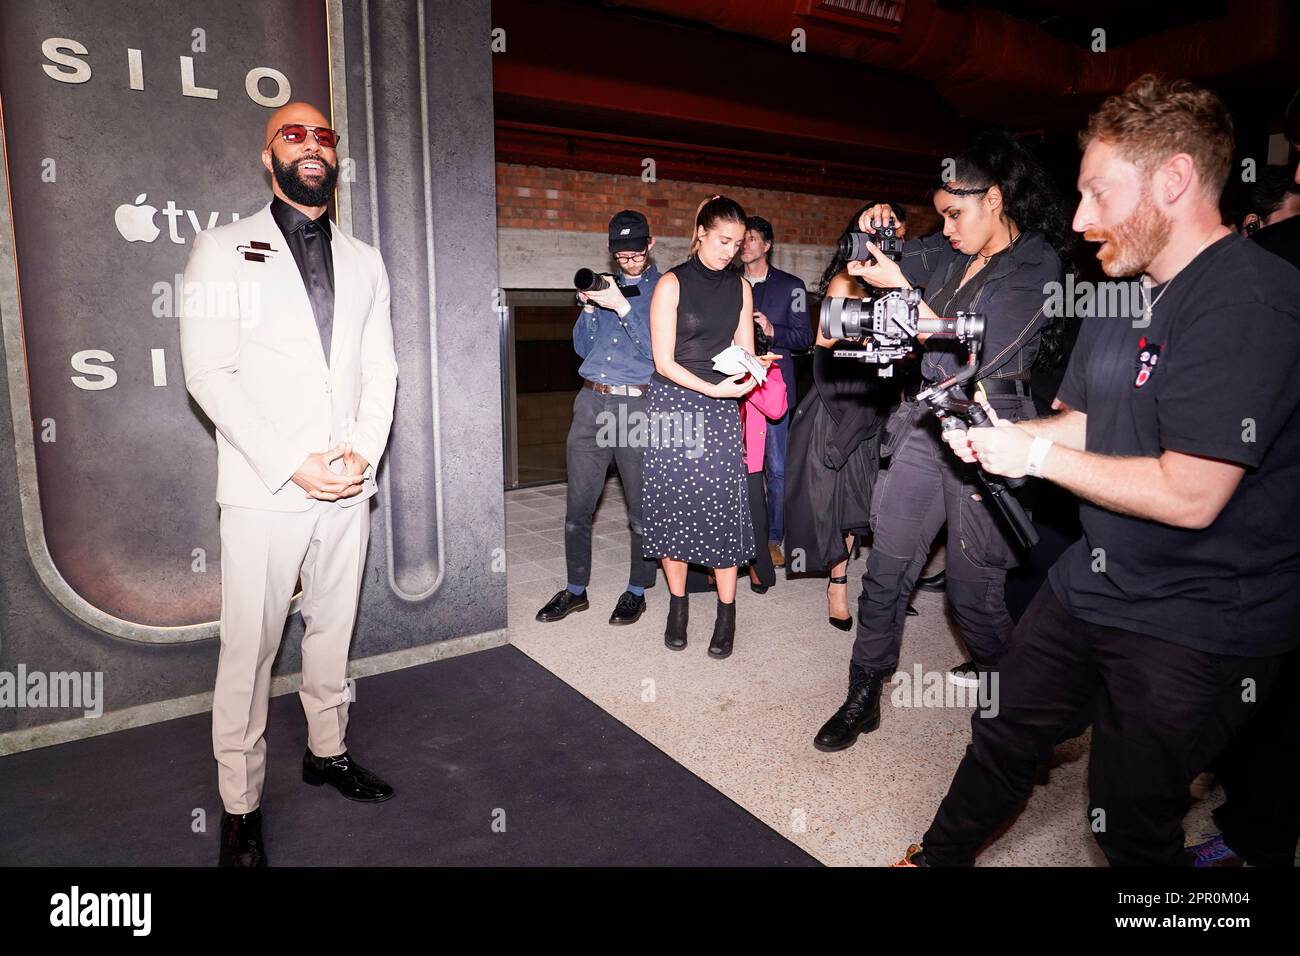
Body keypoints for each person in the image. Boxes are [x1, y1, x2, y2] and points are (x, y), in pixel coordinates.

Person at [896, 75, 1300, 868]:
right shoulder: (1121, 297)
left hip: (1202, 613)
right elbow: (1083, 421)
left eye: (1097, 196)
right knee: (1004, 726)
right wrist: (1002, 433)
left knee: (1125, 819)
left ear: (1173, 180)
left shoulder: (1251, 299)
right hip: (1099, 576)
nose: (1079, 222)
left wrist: (1038, 456)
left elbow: (1191, 494)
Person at [179, 102, 399, 867]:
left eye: (324, 136)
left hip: (346, 485)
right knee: (250, 649)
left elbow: (382, 369)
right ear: (267, 154)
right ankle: (240, 805)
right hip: (265, 488)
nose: (312, 146)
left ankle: (327, 751)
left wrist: (362, 455)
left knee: (333, 631)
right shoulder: (219, 247)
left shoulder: (366, 259)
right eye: (294, 134)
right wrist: (289, 461)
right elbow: (208, 373)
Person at [812, 130, 1070, 751]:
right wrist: (874, 230)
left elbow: (985, 347)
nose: (946, 227)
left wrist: (903, 293)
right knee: (889, 565)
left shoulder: (1037, 264)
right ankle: (863, 692)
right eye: (941, 214)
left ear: (996, 199)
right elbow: (859, 274)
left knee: (972, 591)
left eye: (955, 213)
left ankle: (1017, 707)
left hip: (991, 419)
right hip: (928, 418)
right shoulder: (948, 252)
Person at [643, 196, 770, 658]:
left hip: (718, 409)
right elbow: (662, 361)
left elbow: (743, 348)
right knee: (673, 502)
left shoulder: (740, 287)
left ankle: (726, 612)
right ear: (700, 232)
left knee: (721, 507)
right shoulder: (671, 284)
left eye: (736, 244)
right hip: (675, 403)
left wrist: (754, 365)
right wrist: (713, 390)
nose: (729, 251)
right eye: (722, 240)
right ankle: (678, 606)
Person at [784, 203, 921, 630]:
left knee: (866, 499)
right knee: (837, 502)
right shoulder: (849, 278)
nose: (889, 239)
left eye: (897, 231)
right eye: (882, 231)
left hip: (879, 402)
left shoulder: (906, 279)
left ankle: (883, 584)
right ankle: (837, 583)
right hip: (840, 401)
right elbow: (823, 348)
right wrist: (845, 416)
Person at [535, 211, 662, 627]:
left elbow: (656, 353)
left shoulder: (664, 289)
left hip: (633, 406)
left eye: (635, 253)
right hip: (591, 403)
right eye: (620, 255)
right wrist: (590, 308)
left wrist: (624, 307)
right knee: (578, 507)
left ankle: (638, 589)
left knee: (640, 509)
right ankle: (575, 590)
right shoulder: (604, 287)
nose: (628, 261)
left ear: (650, 245)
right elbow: (582, 349)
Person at [739, 216, 813, 572]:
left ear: (767, 245)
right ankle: (741, 536)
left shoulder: (792, 286)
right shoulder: (728, 283)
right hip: (733, 389)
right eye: (742, 238)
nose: (744, 245)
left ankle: (773, 538)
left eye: (751, 239)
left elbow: (804, 339)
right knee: (737, 468)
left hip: (773, 391)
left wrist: (773, 328)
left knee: (778, 469)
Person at [740, 358, 788, 593]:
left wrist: (751, 374)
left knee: (753, 508)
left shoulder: (769, 368)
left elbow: (776, 408)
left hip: (747, 452)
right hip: (712, 445)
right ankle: (712, 565)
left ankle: (756, 563)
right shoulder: (708, 353)